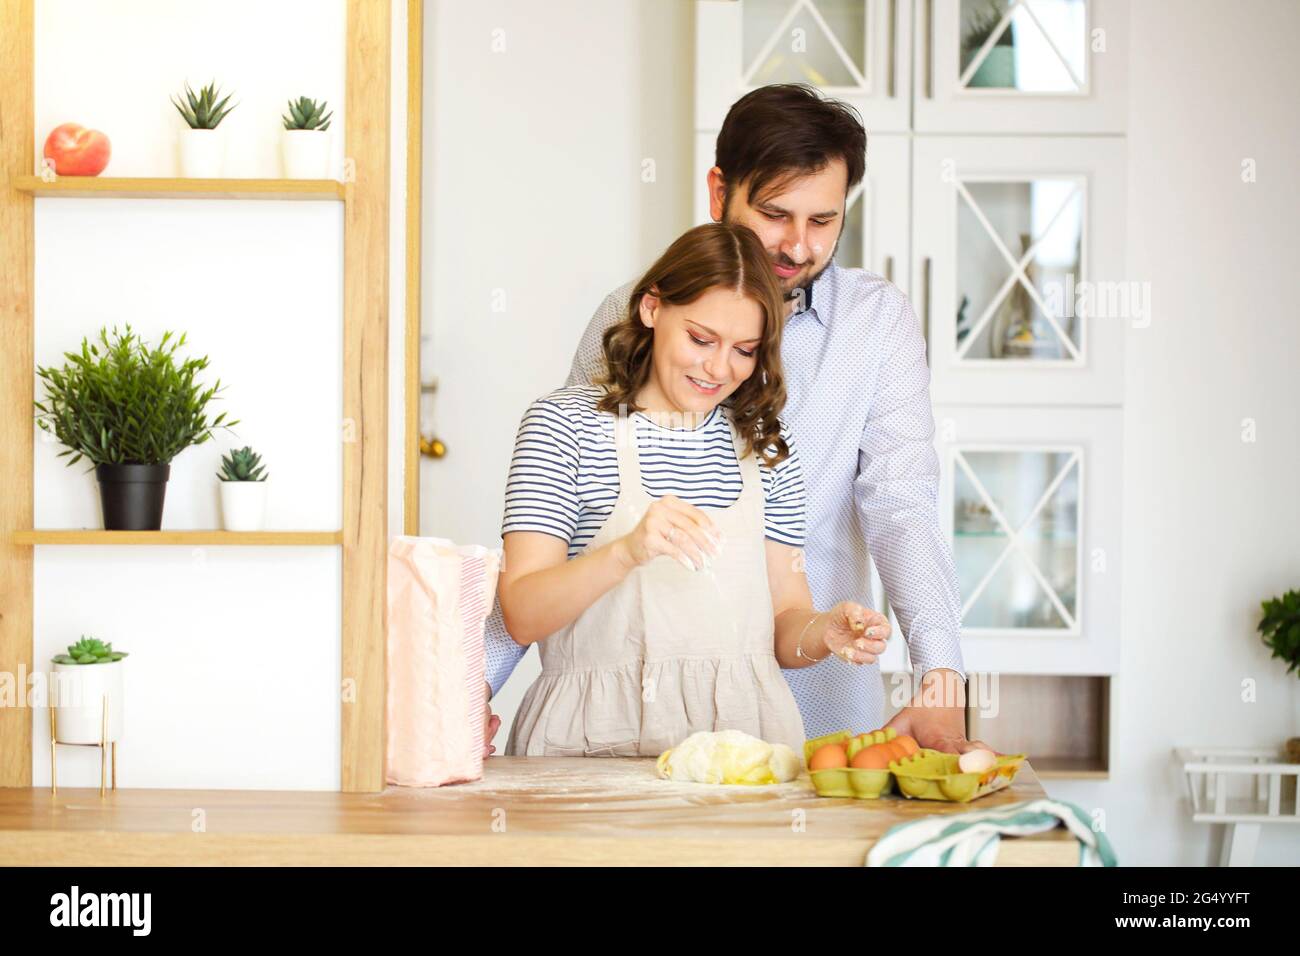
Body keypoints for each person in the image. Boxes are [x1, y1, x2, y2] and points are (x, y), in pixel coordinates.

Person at [486, 83, 990, 757]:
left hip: (818, 687)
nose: (795, 245)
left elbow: (904, 505)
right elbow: (568, 519)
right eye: (775, 213)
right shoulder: (636, 309)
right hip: (626, 710)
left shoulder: (876, 324)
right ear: (719, 188)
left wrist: (940, 679)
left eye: (823, 221)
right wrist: (469, 693)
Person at [497, 222, 889, 757]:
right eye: (701, 339)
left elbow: (783, 622)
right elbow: (522, 612)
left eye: (744, 350)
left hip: (744, 744)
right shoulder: (563, 426)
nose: (718, 368)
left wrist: (823, 633)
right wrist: (626, 552)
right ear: (653, 309)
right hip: (590, 739)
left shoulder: (767, 445)